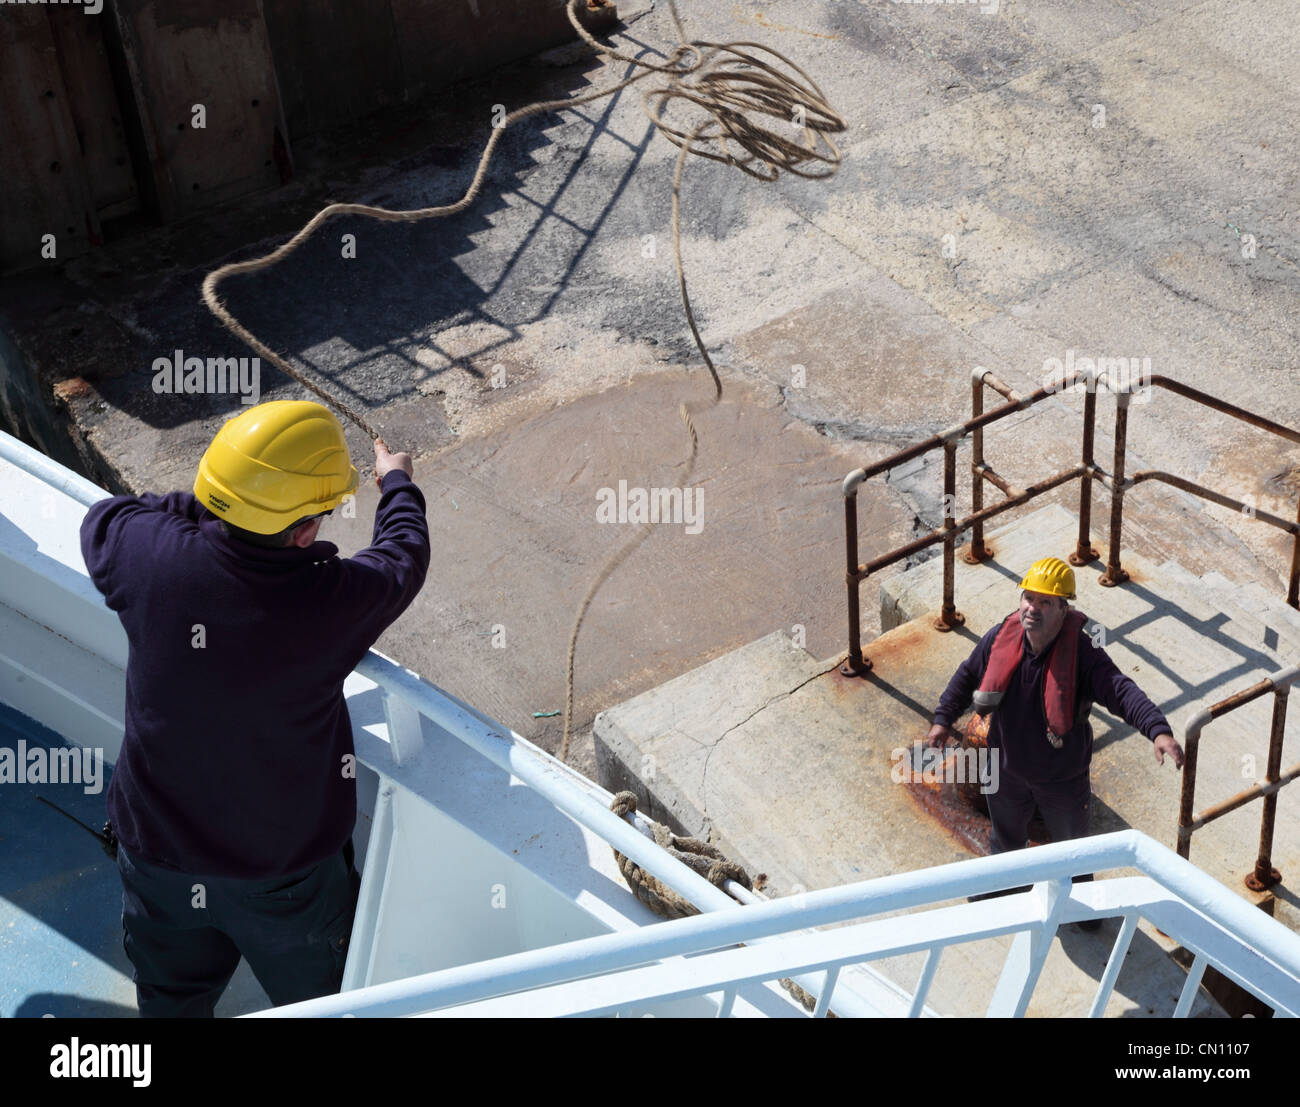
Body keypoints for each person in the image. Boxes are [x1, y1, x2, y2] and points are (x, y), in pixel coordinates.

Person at [79, 400, 430, 1016]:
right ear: (306, 529)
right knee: (322, 1005)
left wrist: (214, 502)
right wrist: (396, 481)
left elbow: (109, 516)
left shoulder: (147, 557)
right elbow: (402, 557)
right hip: (284, 881)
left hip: (155, 859)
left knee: (170, 1004)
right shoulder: (328, 604)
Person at [926, 556, 1183, 926]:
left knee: (1074, 851)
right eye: (1028, 598)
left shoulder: (1084, 656)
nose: (1033, 608)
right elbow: (966, 676)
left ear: (1064, 609)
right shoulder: (1000, 638)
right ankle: (1003, 884)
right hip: (1005, 770)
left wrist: (1157, 731)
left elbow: (1121, 691)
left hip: (1061, 780)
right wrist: (942, 719)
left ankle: (1081, 907)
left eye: (1045, 602)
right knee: (1005, 838)